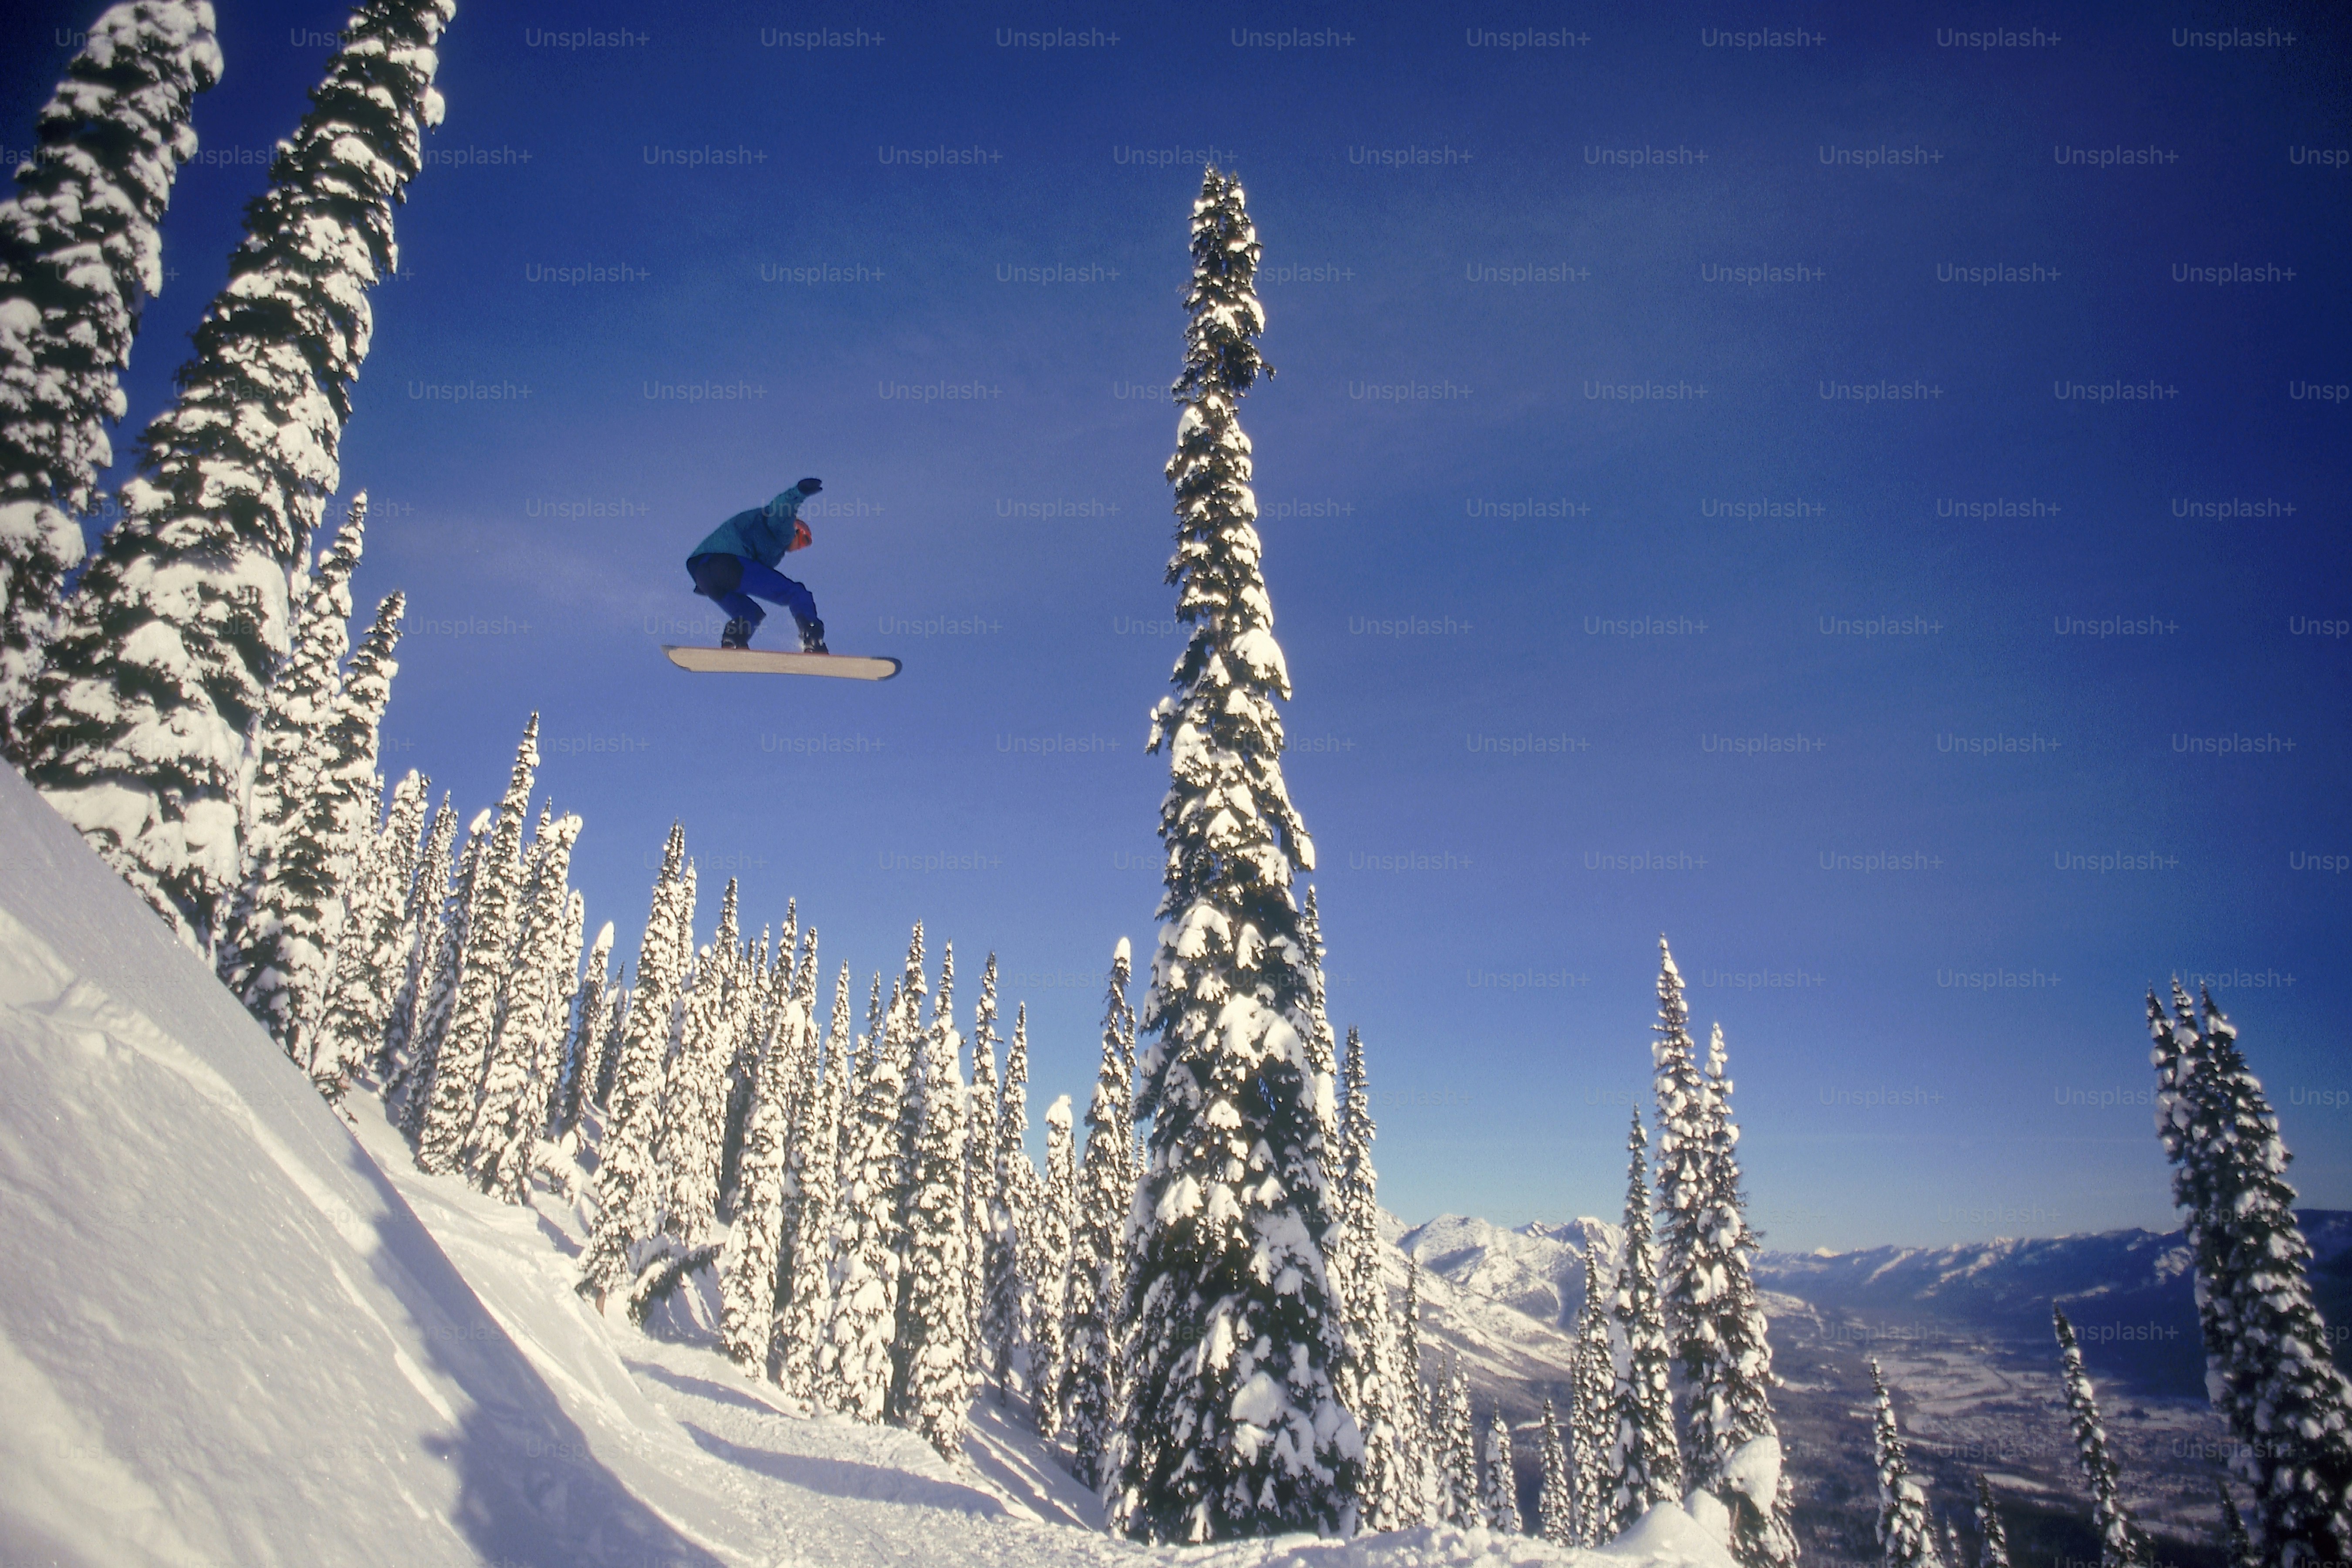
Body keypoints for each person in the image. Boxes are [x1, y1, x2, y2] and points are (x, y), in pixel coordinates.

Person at [685, 478, 827, 652]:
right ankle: (813, 639)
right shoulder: (782, 527)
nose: (800, 547)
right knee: (797, 593)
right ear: (796, 529)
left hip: (705, 577)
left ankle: (733, 640)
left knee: (750, 614)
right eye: (804, 540)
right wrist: (800, 492)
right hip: (727, 564)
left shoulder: (772, 552)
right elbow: (782, 507)